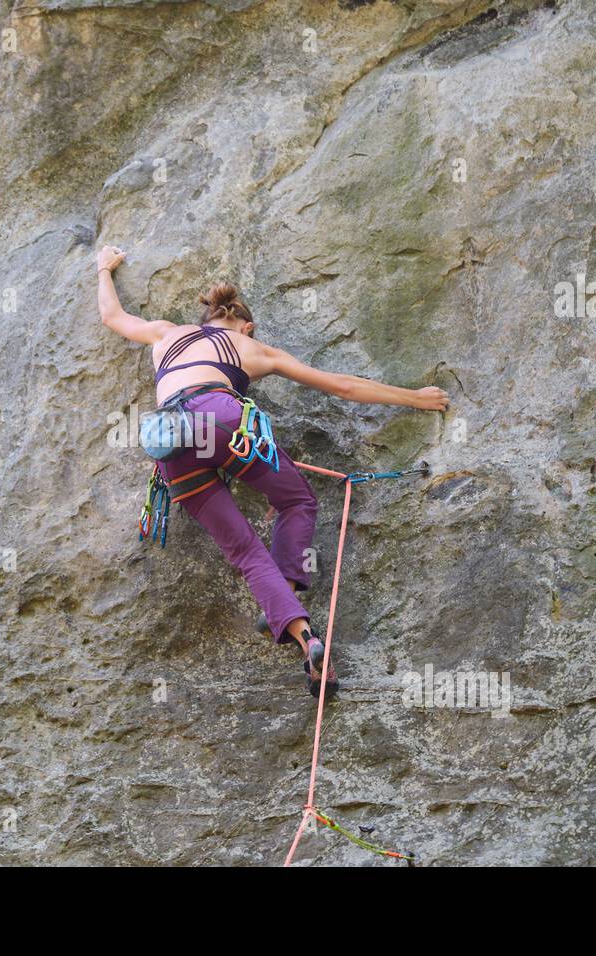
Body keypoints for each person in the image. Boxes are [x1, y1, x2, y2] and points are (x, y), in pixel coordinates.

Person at [97, 245, 449, 697]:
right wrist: (415, 398)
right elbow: (343, 386)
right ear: (245, 325)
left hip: (169, 441)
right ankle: (284, 589)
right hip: (220, 417)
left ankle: (304, 634)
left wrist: (104, 268)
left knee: (245, 554)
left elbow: (112, 316)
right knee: (296, 500)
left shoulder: (165, 333)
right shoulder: (251, 347)